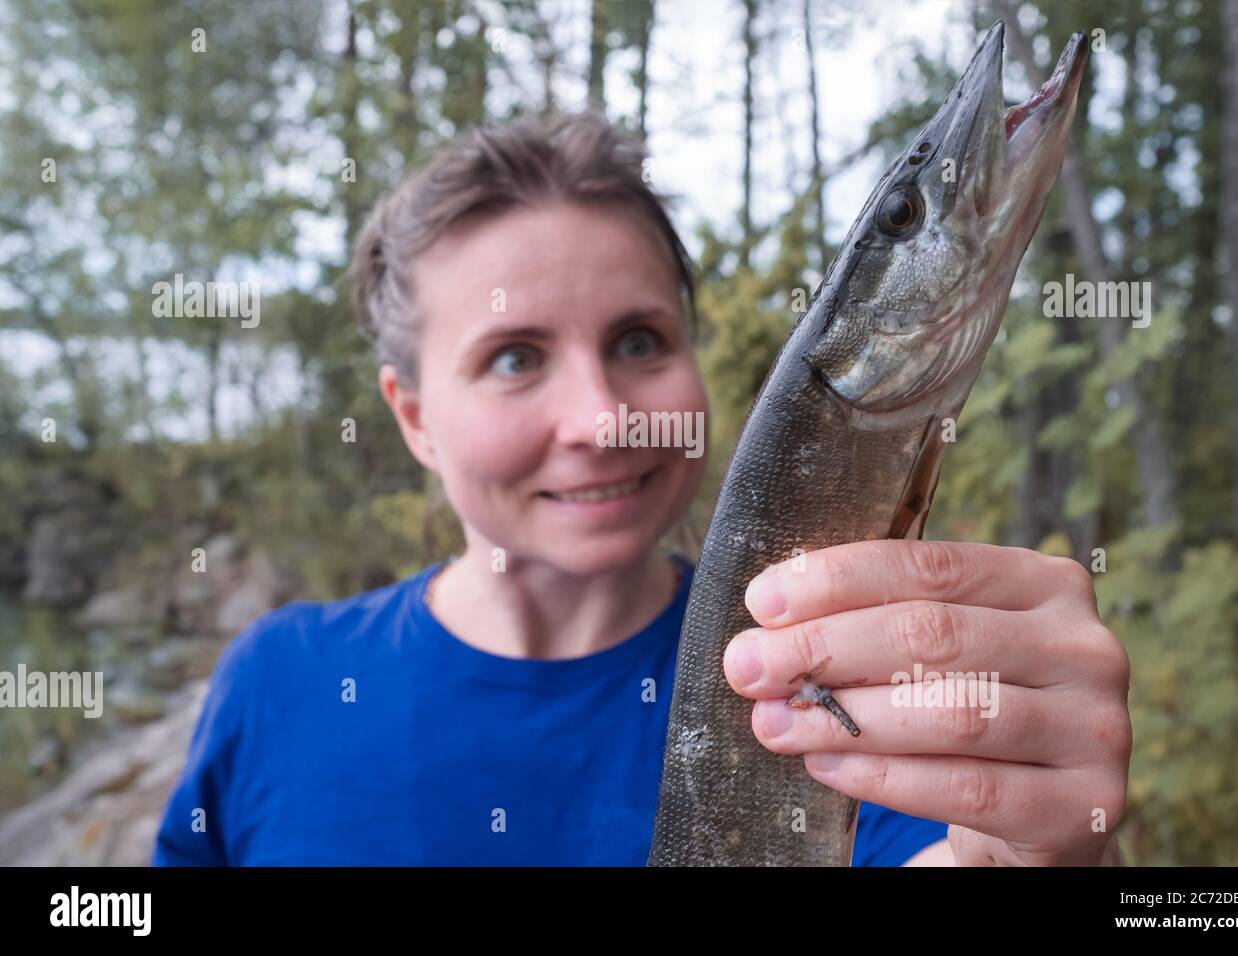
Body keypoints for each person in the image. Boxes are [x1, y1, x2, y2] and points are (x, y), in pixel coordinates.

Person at [152, 111, 1131, 867]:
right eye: (513, 357)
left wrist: (1034, 838)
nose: (605, 417)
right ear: (411, 415)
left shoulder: (819, 681)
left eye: (637, 340)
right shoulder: (274, 682)